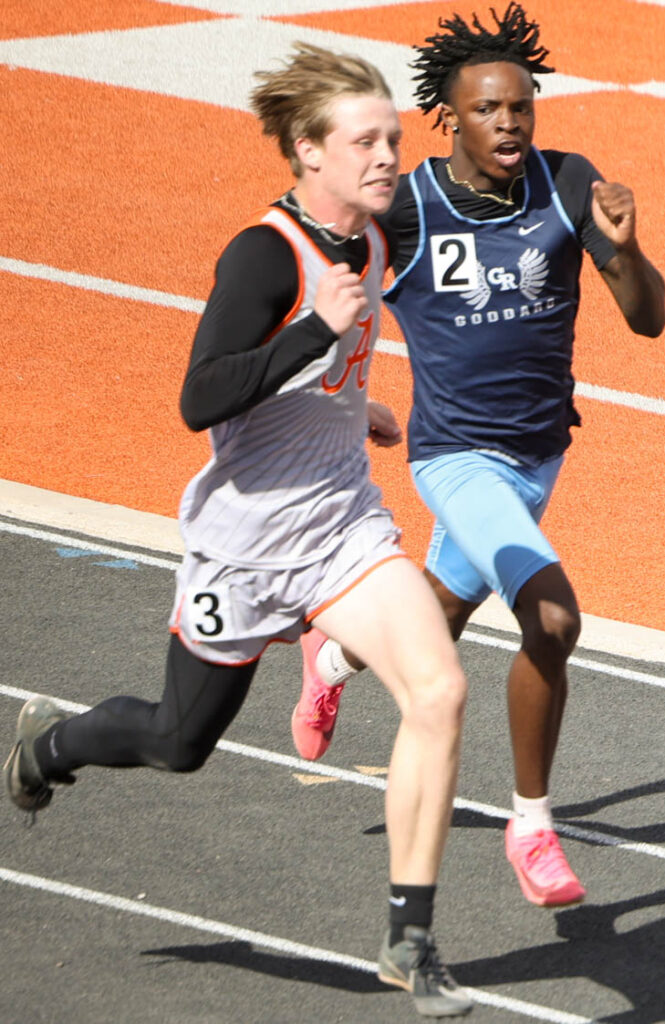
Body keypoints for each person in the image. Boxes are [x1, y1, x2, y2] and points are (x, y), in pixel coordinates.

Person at [4, 43, 474, 1019]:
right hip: (246, 541)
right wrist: (314, 336)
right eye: (365, 141)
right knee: (181, 742)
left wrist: (356, 402)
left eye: (393, 137)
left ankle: (408, 935)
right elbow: (200, 394)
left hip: (342, 521)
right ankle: (49, 747)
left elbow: (323, 367)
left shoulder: (374, 239)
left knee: (438, 687)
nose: (390, 156)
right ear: (307, 151)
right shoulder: (265, 255)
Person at [290, 4, 665, 910]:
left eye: (521, 108)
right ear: (449, 119)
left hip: (539, 454)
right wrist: (344, 405)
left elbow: (648, 317)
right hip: (455, 457)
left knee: (441, 614)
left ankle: (330, 656)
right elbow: (325, 307)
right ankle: (529, 824)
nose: (510, 124)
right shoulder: (406, 208)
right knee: (553, 620)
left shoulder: (568, 183)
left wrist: (627, 250)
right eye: (489, 110)